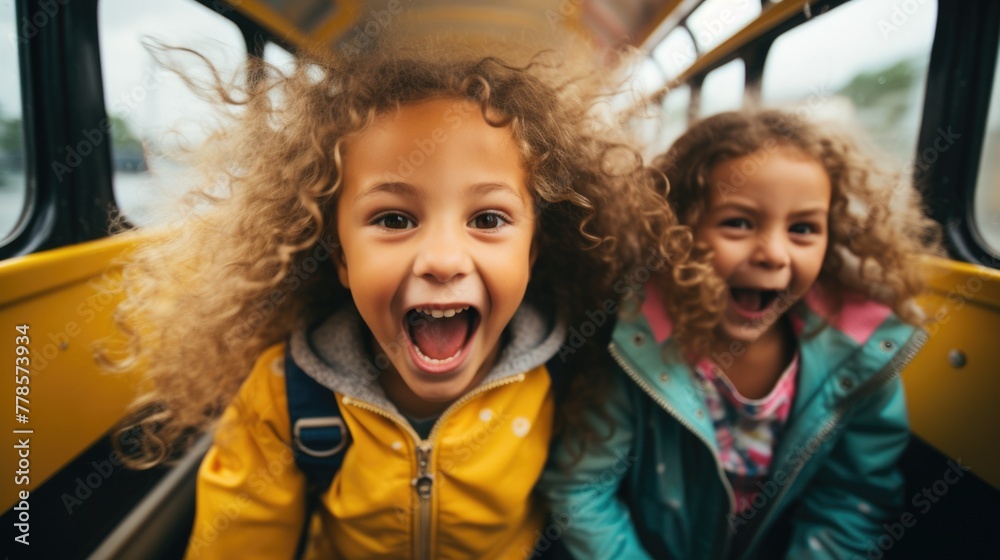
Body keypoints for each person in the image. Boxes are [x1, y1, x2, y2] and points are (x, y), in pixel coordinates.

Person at [107, 40, 708, 559]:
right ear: (341, 257)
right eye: (394, 218)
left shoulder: (571, 369)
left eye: (489, 217)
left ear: (532, 253)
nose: (443, 259)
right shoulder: (283, 396)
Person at [540, 109, 942, 559]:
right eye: (739, 222)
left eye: (804, 229)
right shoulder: (636, 341)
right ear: (678, 231)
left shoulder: (861, 352)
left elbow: (853, 499)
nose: (773, 253)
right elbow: (582, 490)